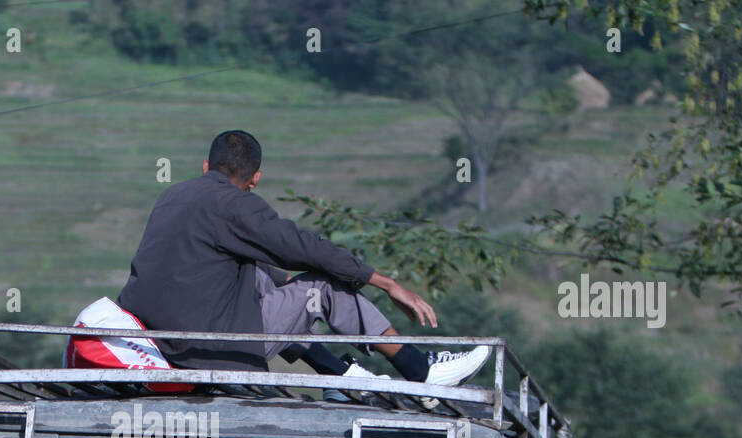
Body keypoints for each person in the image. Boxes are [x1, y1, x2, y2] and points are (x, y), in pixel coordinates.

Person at [117, 129, 490, 389]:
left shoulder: (171, 198)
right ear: (255, 179)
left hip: (161, 344)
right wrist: (387, 283)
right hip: (212, 350)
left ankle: (339, 373)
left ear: (205, 166)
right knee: (323, 287)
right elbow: (302, 247)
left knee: (261, 273)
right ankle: (420, 370)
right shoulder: (233, 204)